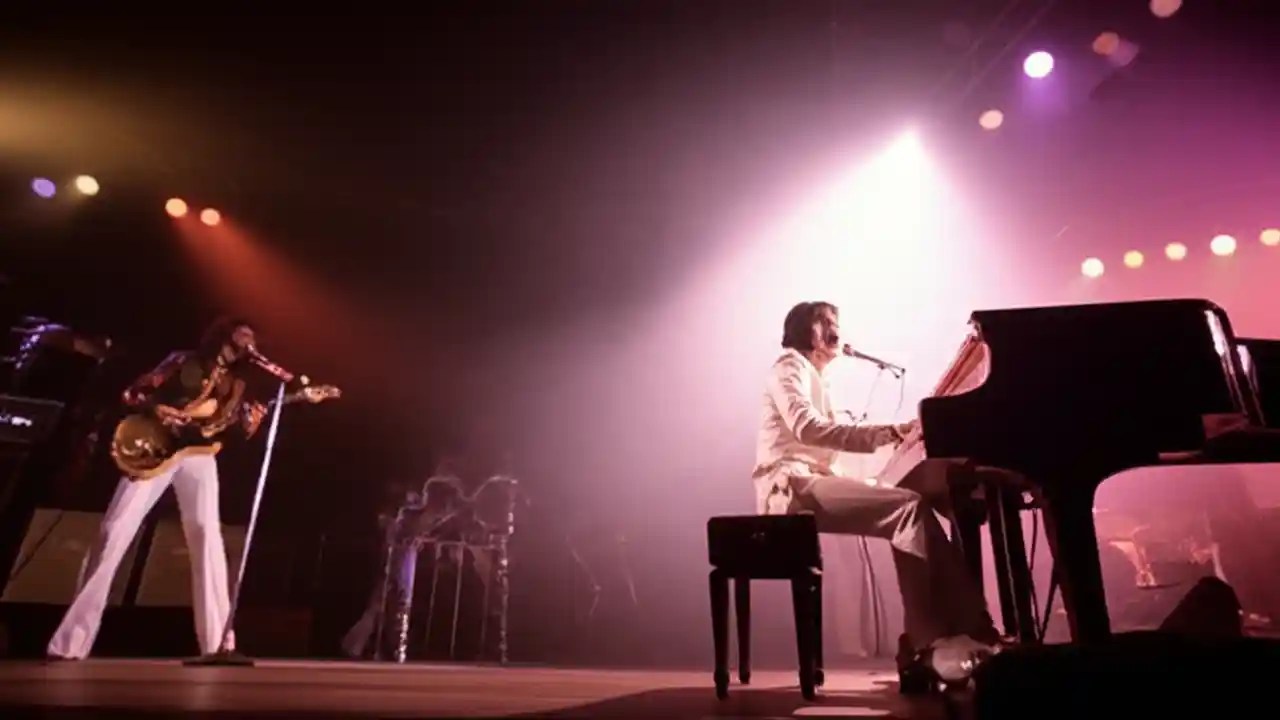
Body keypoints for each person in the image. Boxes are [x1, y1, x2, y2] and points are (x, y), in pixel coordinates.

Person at [753, 301, 999, 681]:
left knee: (912, 508)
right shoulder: (789, 366)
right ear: (806, 330)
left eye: (837, 322)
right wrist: (886, 434)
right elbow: (808, 429)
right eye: (826, 323)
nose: (836, 330)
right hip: (789, 486)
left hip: (808, 479)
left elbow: (824, 447)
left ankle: (971, 624)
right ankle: (927, 638)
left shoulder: (815, 375)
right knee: (906, 509)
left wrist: (896, 444)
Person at [46, 316, 270, 660]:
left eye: (253, 337)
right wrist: (157, 409)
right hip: (157, 446)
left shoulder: (237, 385)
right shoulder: (183, 360)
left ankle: (219, 644)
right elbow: (134, 392)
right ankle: (69, 643)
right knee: (115, 530)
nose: (249, 340)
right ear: (226, 335)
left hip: (199, 455)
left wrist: (251, 423)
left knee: (208, 536)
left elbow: (229, 428)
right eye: (244, 333)